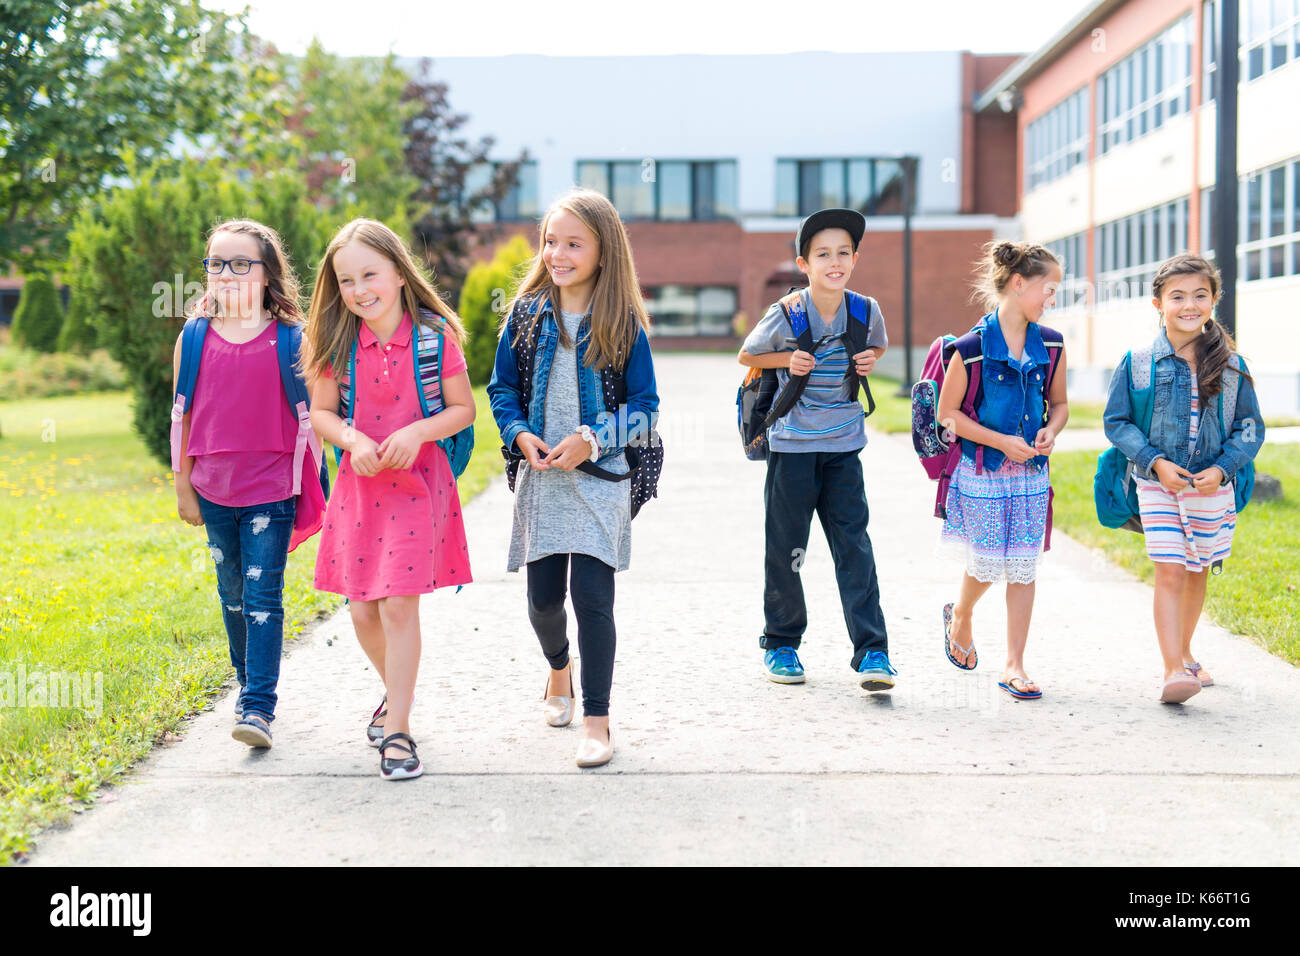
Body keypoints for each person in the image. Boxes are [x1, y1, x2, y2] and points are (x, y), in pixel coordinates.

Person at [488, 188, 659, 768]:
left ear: (604, 250)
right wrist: (517, 432)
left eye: (572, 243)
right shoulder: (526, 314)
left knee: (593, 600)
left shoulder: (623, 321)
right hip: (541, 483)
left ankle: (599, 721)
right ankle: (559, 668)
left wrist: (592, 437)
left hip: (599, 481)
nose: (557, 253)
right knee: (542, 603)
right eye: (550, 241)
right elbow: (501, 388)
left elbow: (645, 407)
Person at [304, 219, 475, 779]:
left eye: (369, 274)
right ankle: (393, 693)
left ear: (399, 274)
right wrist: (352, 438)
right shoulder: (338, 342)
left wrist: (417, 432)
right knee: (362, 611)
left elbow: (463, 410)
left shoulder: (434, 340)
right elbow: (324, 414)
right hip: (361, 485)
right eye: (346, 280)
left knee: (400, 603)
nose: (358, 290)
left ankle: (398, 731)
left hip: (418, 486)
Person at [738, 208, 894, 690]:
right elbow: (747, 354)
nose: (835, 262)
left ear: (854, 259)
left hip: (844, 447)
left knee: (855, 548)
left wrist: (869, 359)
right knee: (788, 550)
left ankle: (873, 653)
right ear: (804, 264)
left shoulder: (866, 309)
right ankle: (781, 644)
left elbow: (879, 347)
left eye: (843, 253)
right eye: (823, 254)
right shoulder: (786, 313)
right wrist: (788, 358)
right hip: (792, 450)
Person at [171, 218, 312, 749]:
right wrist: (183, 485)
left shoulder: (291, 339)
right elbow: (180, 416)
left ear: (267, 273)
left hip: (271, 487)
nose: (225, 274)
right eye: (215, 264)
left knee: (262, 596)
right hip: (211, 488)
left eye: (240, 264)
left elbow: (312, 413)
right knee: (231, 594)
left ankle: (258, 707)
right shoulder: (194, 336)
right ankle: (247, 684)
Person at [1102, 253, 1264, 704]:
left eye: (1199, 295)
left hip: (1212, 487)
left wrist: (1222, 468)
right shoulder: (1136, 362)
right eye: (1177, 297)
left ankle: (1187, 652)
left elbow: (1250, 428)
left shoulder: (1233, 367)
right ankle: (1173, 668)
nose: (1189, 305)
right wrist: (1154, 462)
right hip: (1158, 484)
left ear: (1213, 301)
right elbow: (1117, 422)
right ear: (1158, 303)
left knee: (1196, 573)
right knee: (1171, 569)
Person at [937, 240, 1068, 701]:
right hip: (983, 473)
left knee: (1024, 569)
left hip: (1032, 475)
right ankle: (963, 614)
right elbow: (947, 416)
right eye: (1047, 289)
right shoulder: (970, 349)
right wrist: (1000, 442)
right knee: (989, 564)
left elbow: (1061, 404)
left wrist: (1052, 429)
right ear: (1018, 284)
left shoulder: (1051, 344)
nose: (1051, 299)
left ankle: (1014, 664)